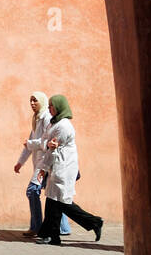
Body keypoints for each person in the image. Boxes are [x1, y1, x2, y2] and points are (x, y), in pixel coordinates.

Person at [35, 94, 104, 245]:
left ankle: (94, 222)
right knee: (53, 201)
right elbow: (45, 142)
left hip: (64, 168)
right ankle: (52, 236)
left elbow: (53, 149)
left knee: (61, 202)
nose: (49, 108)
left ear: (59, 107)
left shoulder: (64, 126)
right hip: (56, 167)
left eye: (52, 106)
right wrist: (46, 149)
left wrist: (43, 169)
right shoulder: (54, 123)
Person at [14, 92, 70, 236]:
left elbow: (45, 143)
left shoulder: (47, 118)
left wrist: (32, 144)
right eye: (30, 100)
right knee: (54, 196)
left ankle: (37, 227)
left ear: (43, 102)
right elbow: (30, 144)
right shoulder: (37, 119)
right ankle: (63, 228)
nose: (32, 103)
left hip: (46, 164)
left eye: (35, 101)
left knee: (33, 191)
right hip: (42, 164)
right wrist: (20, 163)